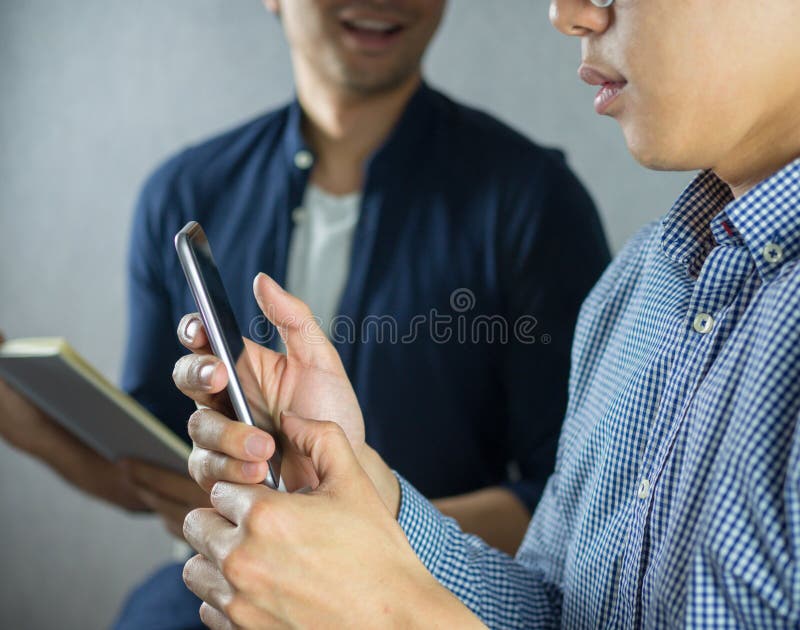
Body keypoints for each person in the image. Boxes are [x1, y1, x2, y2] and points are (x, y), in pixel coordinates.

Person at [173, 0, 800, 627]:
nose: (566, 14)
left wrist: (396, 617)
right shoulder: (639, 284)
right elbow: (560, 609)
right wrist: (359, 487)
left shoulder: (528, 199)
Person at [0, 0, 609, 627]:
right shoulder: (184, 191)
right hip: (216, 594)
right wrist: (20, 418)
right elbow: (153, 469)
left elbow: (565, 506)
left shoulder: (534, 202)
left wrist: (347, 542)